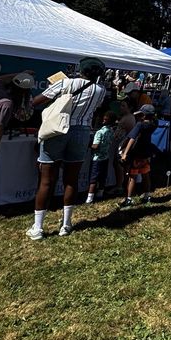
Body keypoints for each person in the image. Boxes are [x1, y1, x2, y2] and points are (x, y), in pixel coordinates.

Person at [27, 58, 107, 241]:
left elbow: (37, 101)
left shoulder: (65, 83)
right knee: (72, 179)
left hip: (57, 129)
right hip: (82, 132)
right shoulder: (100, 90)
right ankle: (66, 224)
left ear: (81, 70)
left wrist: (54, 88)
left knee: (47, 180)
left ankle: (38, 228)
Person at [118, 104, 158, 207]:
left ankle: (129, 199)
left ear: (143, 115)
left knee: (132, 176)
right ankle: (147, 195)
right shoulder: (154, 124)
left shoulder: (140, 125)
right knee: (145, 174)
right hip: (146, 153)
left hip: (136, 153)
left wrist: (125, 153)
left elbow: (132, 138)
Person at [85, 110, 117, 203]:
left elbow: (95, 146)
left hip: (97, 158)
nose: (103, 121)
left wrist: (88, 144)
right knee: (102, 176)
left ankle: (90, 197)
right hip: (105, 157)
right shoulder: (111, 131)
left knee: (93, 178)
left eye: (104, 120)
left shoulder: (99, 132)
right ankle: (100, 193)